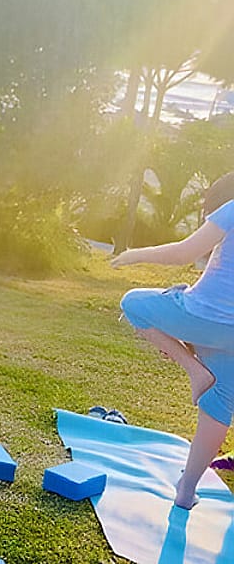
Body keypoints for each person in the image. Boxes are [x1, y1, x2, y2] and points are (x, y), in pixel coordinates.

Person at [112, 171, 234, 510]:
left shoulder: (233, 208)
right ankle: (186, 491)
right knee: (218, 407)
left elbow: (183, 253)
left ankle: (193, 370)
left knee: (133, 303)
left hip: (201, 315)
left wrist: (134, 254)